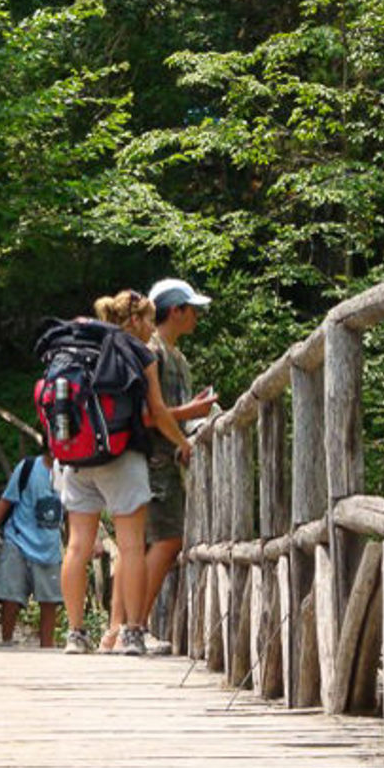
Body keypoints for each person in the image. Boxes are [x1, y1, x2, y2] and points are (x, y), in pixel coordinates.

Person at [55, 290, 192, 656]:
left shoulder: (80, 348)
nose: (151, 327)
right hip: (122, 455)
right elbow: (157, 411)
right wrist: (182, 442)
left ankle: (75, 634)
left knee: (77, 546)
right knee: (131, 546)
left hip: (78, 456)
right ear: (134, 320)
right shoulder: (139, 352)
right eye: (148, 319)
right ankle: (131, 632)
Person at [139, 278, 219, 652]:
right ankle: (134, 626)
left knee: (157, 541)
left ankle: (128, 626)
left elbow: (170, 411)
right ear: (175, 311)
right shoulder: (152, 352)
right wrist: (192, 412)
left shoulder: (178, 358)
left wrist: (193, 409)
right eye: (192, 310)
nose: (197, 317)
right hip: (156, 462)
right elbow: (148, 416)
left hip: (166, 462)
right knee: (167, 539)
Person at [0, 451, 65, 647]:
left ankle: (46, 648)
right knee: (10, 596)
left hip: (49, 547)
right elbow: (6, 501)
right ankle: (7, 641)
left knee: (49, 602)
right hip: (18, 539)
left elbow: (76, 511)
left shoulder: (70, 472)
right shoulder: (28, 468)